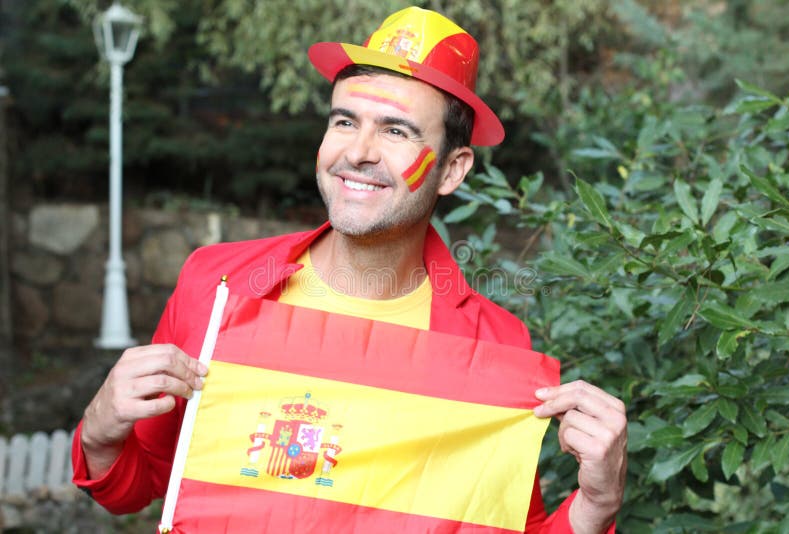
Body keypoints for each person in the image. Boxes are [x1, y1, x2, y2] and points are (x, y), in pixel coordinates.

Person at [73, 7, 626, 533]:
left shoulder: (494, 345)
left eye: (396, 131)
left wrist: (597, 504)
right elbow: (147, 486)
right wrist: (100, 429)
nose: (358, 151)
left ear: (453, 170)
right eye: (345, 120)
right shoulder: (215, 284)